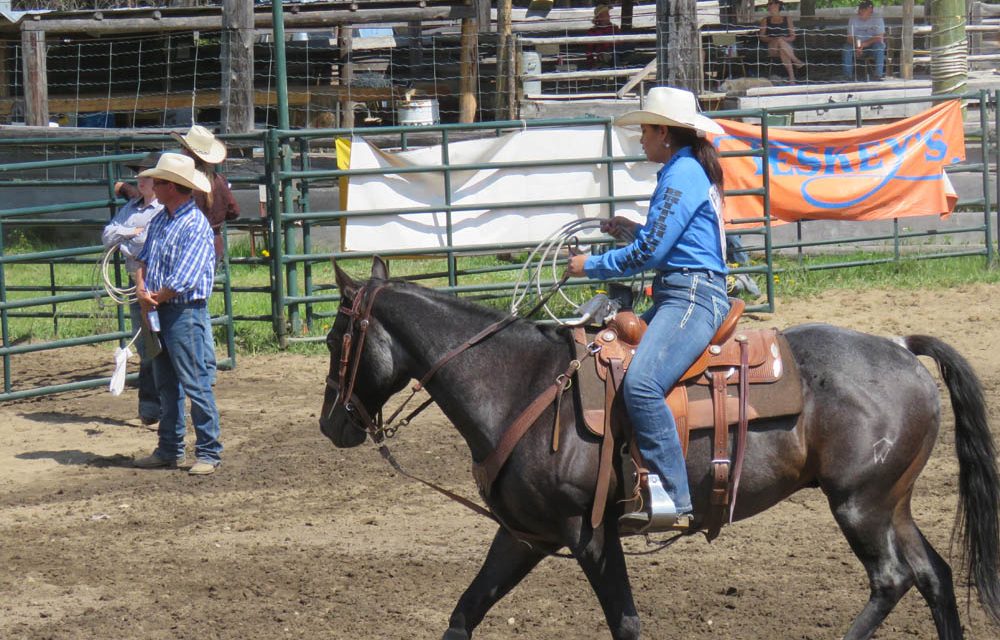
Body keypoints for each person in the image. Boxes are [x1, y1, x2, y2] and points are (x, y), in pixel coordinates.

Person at [567, 86, 730, 532]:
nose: (640, 138)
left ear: (664, 132)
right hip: (684, 290)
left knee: (641, 385)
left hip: (691, 295)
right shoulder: (687, 171)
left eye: (644, 129)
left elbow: (651, 255)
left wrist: (590, 267)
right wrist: (631, 229)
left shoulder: (681, 175)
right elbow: (666, 243)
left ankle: (676, 496)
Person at [132, 153, 223, 476]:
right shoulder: (161, 220)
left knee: (194, 383)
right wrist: (143, 288)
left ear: (172, 186)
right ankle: (170, 448)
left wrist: (152, 297)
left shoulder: (194, 224)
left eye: (158, 181)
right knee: (168, 384)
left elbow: (185, 277)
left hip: (183, 312)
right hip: (163, 310)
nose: (152, 185)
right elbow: (144, 259)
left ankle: (208, 452)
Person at [171, 124, 240, 384]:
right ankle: (206, 365)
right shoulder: (218, 181)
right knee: (200, 305)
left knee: (190, 307)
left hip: (189, 246)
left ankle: (200, 364)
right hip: (214, 244)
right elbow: (234, 211)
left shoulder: (185, 183)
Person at [102, 151, 163, 428]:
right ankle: (151, 409)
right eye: (139, 175)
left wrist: (128, 236)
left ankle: (157, 408)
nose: (140, 179)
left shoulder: (161, 210)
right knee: (146, 343)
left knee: (159, 342)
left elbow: (150, 243)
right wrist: (130, 234)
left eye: (145, 175)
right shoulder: (133, 208)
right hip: (135, 279)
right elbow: (108, 235)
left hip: (157, 281)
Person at [758, 0, 805, 83]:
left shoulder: (787, 19)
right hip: (772, 46)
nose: (769, 6)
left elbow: (793, 36)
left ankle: (792, 78)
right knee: (779, 41)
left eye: (771, 3)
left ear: (778, 5)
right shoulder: (765, 20)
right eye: (768, 4)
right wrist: (775, 39)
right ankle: (796, 61)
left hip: (786, 46)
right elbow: (762, 37)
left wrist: (783, 39)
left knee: (782, 49)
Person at [842, 0, 886, 81]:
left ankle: (878, 75)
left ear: (870, 10)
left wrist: (864, 44)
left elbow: (879, 37)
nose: (860, 12)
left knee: (879, 47)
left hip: (872, 46)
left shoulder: (878, 18)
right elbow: (849, 38)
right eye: (860, 9)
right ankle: (847, 76)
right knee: (846, 48)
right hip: (857, 44)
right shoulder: (853, 18)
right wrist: (858, 46)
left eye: (863, 10)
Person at [586, 4, 622, 69]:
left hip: (618, 51)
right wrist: (592, 63)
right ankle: (620, 77)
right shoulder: (593, 31)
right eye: (606, 14)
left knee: (630, 46)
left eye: (608, 14)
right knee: (615, 57)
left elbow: (620, 42)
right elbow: (589, 50)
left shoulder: (614, 28)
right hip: (604, 55)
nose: (609, 16)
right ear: (600, 17)